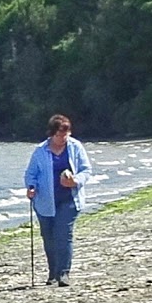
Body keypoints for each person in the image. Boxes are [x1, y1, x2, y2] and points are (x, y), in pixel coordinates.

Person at [24, 114, 91, 286]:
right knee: (49, 237)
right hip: (45, 201)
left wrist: (75, 181)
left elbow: (86, 170)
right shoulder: (40, 151)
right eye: (60, 135)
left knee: (64, 234)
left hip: (69, 199)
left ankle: (63, 273)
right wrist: (31, 187)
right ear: (52, 134)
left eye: (66, 135)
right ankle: (53, 272)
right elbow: (31, 173)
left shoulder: (75, 147)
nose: (63, 139)